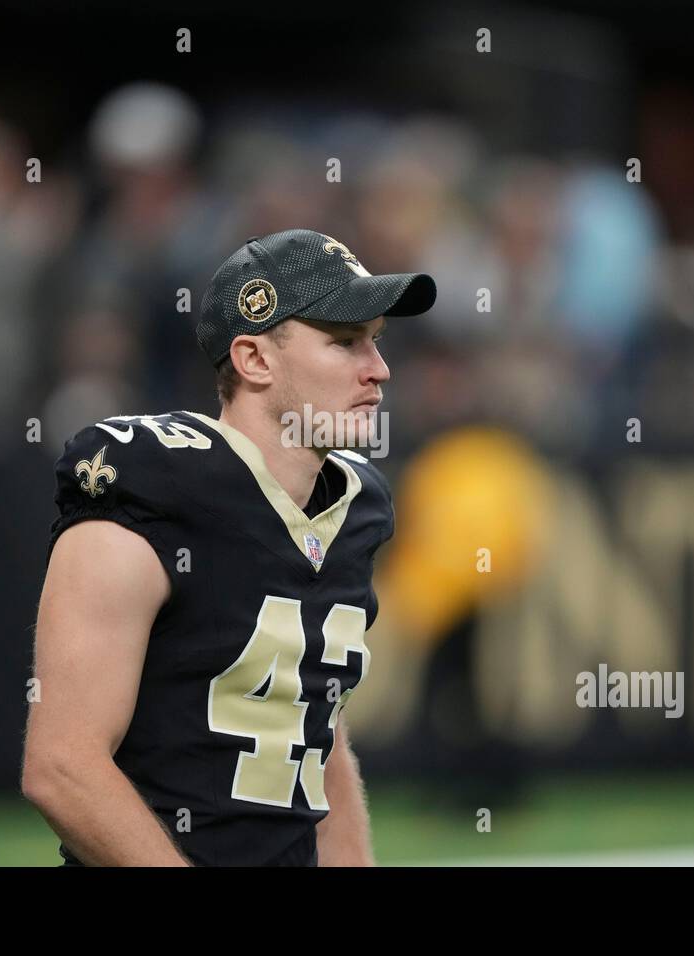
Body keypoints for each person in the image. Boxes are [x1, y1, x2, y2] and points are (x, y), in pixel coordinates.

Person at [21, 228, 436, 865]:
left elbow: (314, 738)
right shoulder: (150, 489)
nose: (379, 369)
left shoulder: (353, 510)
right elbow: (62, 767)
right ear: (255, 360)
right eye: (346, 341)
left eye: (376, 342)